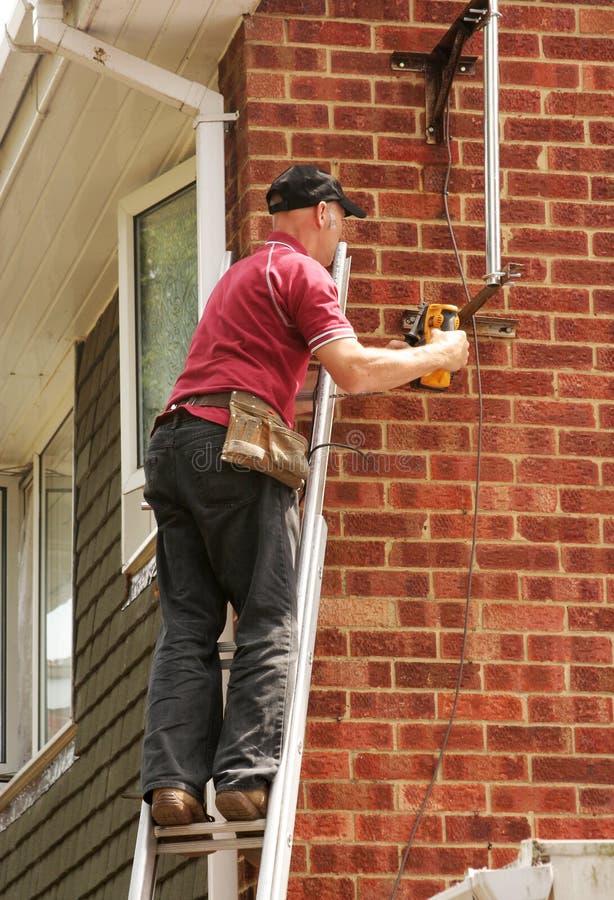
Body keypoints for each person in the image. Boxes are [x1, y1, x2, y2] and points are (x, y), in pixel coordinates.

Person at [141, 164, 469, 828]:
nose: (341, 233)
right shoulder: (304, 274)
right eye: (342, 220)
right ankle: (243, 777)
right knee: (268, 614)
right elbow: (352, 372)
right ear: (322, 214)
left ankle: (174, 782)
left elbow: (278, 364)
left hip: (173, 444)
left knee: (187, 626)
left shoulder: (239, 276)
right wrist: (439, 355)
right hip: (234, 442)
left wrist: (396, 357)